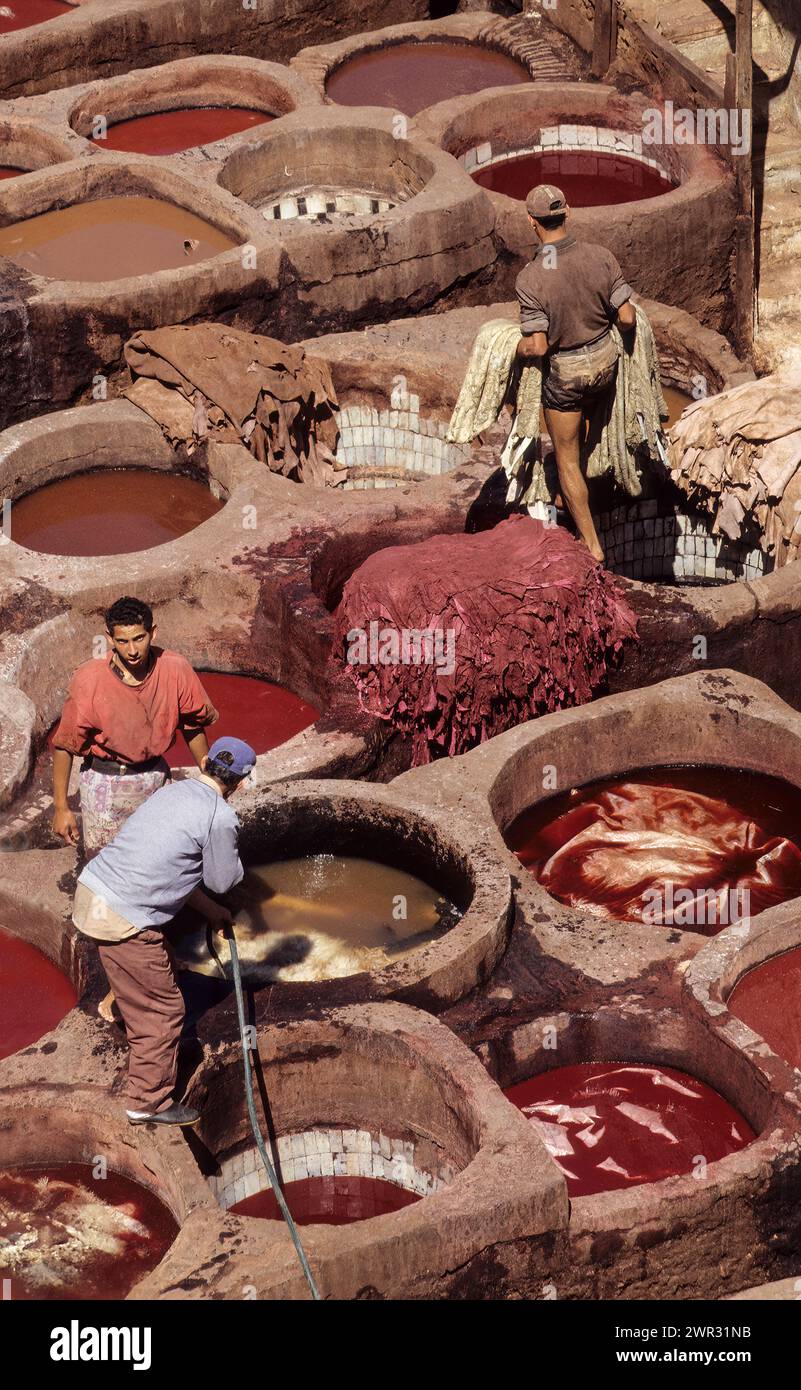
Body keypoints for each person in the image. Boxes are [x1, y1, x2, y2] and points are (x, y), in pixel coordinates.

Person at [71, 736, 256, 1127]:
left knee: (156, 964)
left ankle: (132, 1017)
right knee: (165, 1009)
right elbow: (222, 879)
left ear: (206, 764)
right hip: (123, 917)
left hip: (94, 894)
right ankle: (147, 1102)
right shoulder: (219, 816)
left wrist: (212, 912)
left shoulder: (174, 791)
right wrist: (232, 874)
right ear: (240, 783)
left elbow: (173, 870)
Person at [51, 595, 219, 1021]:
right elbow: (66, 746)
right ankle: (118, 988)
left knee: (165, 868)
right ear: (109, 640)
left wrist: (209, 775)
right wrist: (60, 806)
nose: (132, 649)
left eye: (139, 639)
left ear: (153, 634)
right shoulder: (89, 679)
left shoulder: (175, 669)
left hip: (154, 777)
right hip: (107, 784)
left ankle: (162, 965)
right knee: (115, 890)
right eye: (122, 641)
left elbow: (193, 723)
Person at [515, 184, 637, 563]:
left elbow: (537, 347)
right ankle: (575, 495)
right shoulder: (601, 257)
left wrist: (513, 348)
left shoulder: (531, 278)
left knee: (566, 457)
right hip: (605, 366)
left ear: (531, 222)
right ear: (568, 212)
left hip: (567, 376)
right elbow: (628, 317)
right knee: (586, 432)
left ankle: (592, 546)